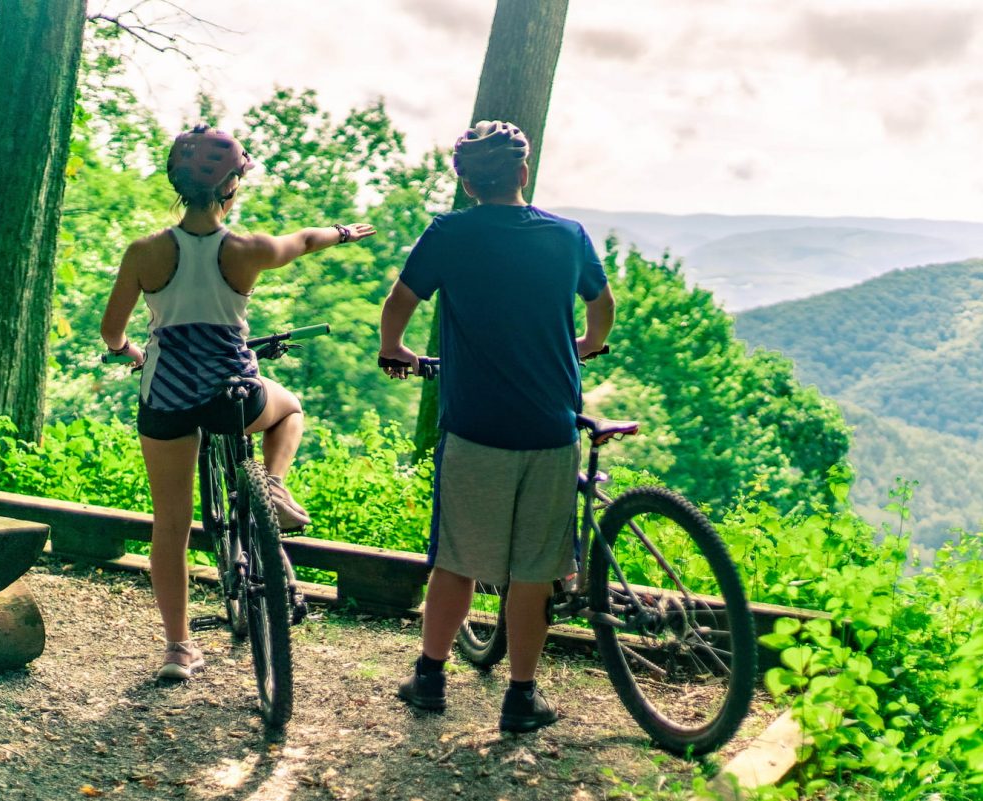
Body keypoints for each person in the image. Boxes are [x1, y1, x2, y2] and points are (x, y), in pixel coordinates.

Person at [100, 125, 375, 680]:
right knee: (289, 408)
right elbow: (305, 240)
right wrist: (344, 232)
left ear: (177, 183)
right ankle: (271, 485)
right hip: (233, 394)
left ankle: (178, 649)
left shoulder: (145, 252)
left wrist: (131, 352)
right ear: (231, 186)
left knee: (170, 525)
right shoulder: (249, 250)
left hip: (167, 394)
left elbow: (112, 331)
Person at [378, 120, 616, 733]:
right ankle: (521, 698)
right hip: (549, 428)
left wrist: (394, 348)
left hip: (475, 427)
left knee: (456, 559)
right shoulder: (567, 236)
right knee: (535, 570)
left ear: (466, 183)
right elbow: (602, 304)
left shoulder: (449, 233)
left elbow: (400, 302)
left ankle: (430, 680)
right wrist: (588, 344)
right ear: (522, 173)